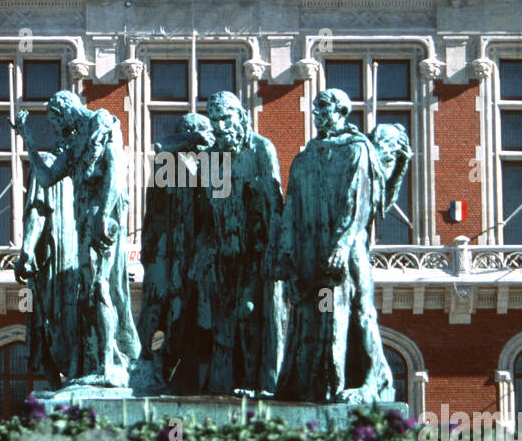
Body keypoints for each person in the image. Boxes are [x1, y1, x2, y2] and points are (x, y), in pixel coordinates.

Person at [272, 89, 410, 404]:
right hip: (312, 252)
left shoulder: (356, 150)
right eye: (315, 108)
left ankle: (373, 379)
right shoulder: (305, 158)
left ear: (341, 111)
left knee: (360, 311)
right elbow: (291, 208)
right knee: (315, 312)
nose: (317, 114)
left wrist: (342, 245)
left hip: (346, 249)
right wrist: (286, 255)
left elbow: (359, 204)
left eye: (323, 108)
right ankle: (315, 381)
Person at [13, 91, 139, 388]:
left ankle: (108, 365)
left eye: (53, 121)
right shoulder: (73, 146)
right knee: (89, 293)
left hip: (101, 222)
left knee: (99, 288)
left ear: (63, 111)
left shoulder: (101, 121)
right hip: (84, 222)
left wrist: (105, 216)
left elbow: (115, 171)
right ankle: (97, 363)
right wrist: (27, 138)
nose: (55, 129)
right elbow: (46, 178)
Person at [191, 91, 284, 395]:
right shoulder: (211, 159)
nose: (219, 126)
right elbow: (207, 212)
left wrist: (274, 254)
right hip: (222, 251)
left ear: (241, 116)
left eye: (225, 118)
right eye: (214, 120)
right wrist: (204, 250)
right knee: (221, 323)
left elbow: (274, 206)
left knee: (250, 312)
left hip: (256, 251)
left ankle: (256, 382)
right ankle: (224, 385)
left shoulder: (260, 150)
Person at [137, 112, 215, 389]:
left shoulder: (216, 165)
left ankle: (196, 374)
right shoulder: (166, 164)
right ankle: (152, 362)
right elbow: (154, 217)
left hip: (201, 256)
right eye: (189, 132)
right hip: (166, 254)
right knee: (158, 310)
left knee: (197, 313)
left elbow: (220, 212)